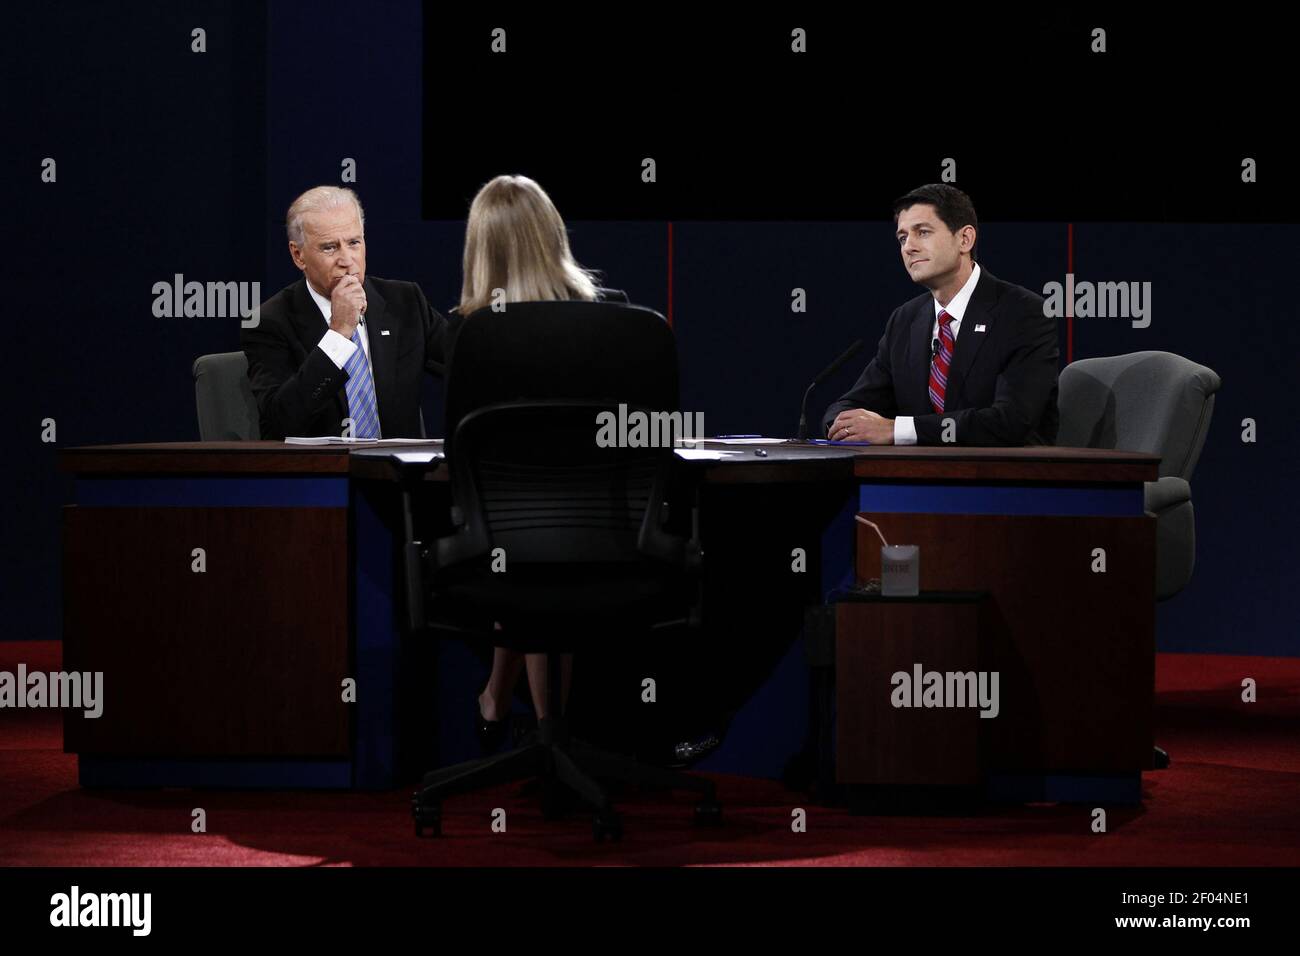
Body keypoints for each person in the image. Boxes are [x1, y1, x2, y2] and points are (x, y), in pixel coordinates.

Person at [447, 175, 628, 753]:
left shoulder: (469, 333)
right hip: (608, 537)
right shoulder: (616, 320)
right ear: (553, 236)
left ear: (482, 250)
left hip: (499, 540)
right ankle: (546, 731)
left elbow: (460, 452)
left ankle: (510, 710)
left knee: (524, 546)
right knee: (541, 546)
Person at [823, 183, 1059, 446]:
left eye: (922, 232)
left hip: (1002, 478)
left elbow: (1009, 421)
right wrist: (842, 425)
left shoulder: (1023, 313)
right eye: (902, 238)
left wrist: (897, 430)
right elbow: (853, 403)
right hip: (916, 478)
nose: (908, 247)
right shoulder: (905, 320)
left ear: (965, 239)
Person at [242, 186, 447, 440]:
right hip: (320, 476)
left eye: (353, 243)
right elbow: (280, 423)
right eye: (329, 248)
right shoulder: (270, 322)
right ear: (298, 255)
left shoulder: (405, 302)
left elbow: (466, 365)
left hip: (400, 475)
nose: (347, 259)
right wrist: (338, 334)